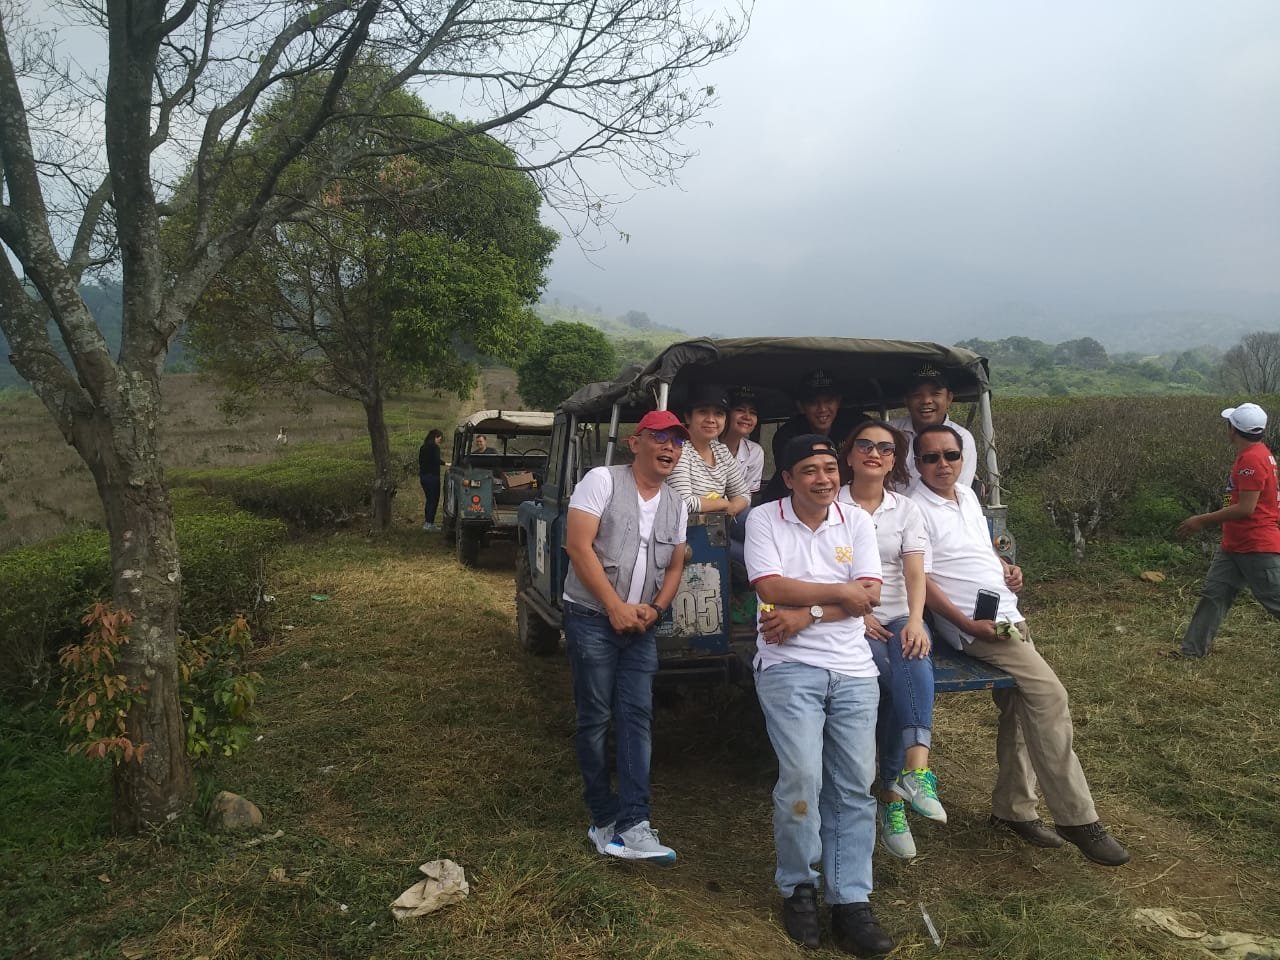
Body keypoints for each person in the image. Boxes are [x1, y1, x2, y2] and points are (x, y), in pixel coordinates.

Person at [908, 424, 1129, 867]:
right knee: (1050, 696)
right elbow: (923, 579)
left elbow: (977, 549)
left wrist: (1006, 566)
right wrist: (966, 623)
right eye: (931, 458)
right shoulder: (916, 508)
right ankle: (1077, 816)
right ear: (917, 463)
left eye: (950, 456)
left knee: (1020, 705)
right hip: (980, 626)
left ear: (961, 458)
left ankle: (1014, 808)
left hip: (1009, 613)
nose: (943, 465)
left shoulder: (967, 496)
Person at [745, 434, 895, 957]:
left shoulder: (855, 520)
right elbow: (770, 588)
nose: (825, 478)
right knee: (803, 776)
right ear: (788, 478)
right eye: (810, 470)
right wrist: (840, 593)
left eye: (831, 468)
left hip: (853, 670)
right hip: (788, 667)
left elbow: (870, 595)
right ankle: (799, 886)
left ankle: (850, 897)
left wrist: (807, 612)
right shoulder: (765, 520)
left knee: (855, 784)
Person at [562, 409, 690, 863]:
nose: (669, 447)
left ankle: (635, 823)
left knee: (637, 717)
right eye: (660, 438)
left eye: (677, 442)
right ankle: (602, 818)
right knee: (595, 716)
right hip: (592, 617)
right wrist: (614, 607)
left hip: (642, 625)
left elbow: (675, 564)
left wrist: (654, 610)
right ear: (636, 443)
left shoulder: (676, 503)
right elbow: (577, 545)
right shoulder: (602, 480)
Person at [837, 421, 943, 861]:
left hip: (899, 612)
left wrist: (917, 620)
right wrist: (857, 615)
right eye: (864, 445)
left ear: (894, 461)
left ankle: (913, 777)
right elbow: (825, 566)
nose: (874, 453)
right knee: (891, 682)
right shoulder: (833, 502)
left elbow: (915, 570)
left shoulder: (905, 509)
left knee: (914, 656)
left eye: (885, 448)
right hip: (848, 616)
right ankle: (892, 797)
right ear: (849, 455)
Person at [1171, 403, 1280, 659]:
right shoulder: (1258, 454)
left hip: (1255, 545)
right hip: (1235, 544)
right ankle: (1191, 652)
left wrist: (1201, 520)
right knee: (1214, 594)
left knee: (1274, 599)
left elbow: (1246, 508)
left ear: (1233, 430)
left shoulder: (1251, 461)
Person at [761, 369, 866, 503]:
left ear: (838, 401)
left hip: (849, 496)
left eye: (828, 401)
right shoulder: (787, 435)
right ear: (801, 406)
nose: (822, 408)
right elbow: (792, 478)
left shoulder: (857, 426)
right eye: (813, 402)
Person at [666, 384, 751, 518]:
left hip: (719, 523)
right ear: (688, 417)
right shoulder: (678, 448)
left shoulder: (721, 451)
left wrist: (731, 509)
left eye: (719, 414)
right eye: (703, 412)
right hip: (686, 526)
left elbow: (744, 494)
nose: (711, 420)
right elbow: (683, 503)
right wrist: (722, 503)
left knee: (757, 519)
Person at [888, 365, 978, 491]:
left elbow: (957, 491)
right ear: (906, 400)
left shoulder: (962, 438)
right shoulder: (889, 432)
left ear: (949, 398)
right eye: (917, 394)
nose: (926, 401)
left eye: (935, 393)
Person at [720, 386, 765, 496]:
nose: (747, 417)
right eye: (740, 410)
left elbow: (747, 496)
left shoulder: (755, 451)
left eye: (753, 412)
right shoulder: (705, 443)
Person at [418, 429, 444, 531]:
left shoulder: (423, 447)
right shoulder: (435, 447)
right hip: (433, 476)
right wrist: (446, 464)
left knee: (429, 500)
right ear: (435, 437)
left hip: (424, 476)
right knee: (434, 500)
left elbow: (420, 461)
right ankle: (429, 523)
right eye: (439, 439)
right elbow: (436, 460)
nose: (439, 441)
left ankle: (427, 523)